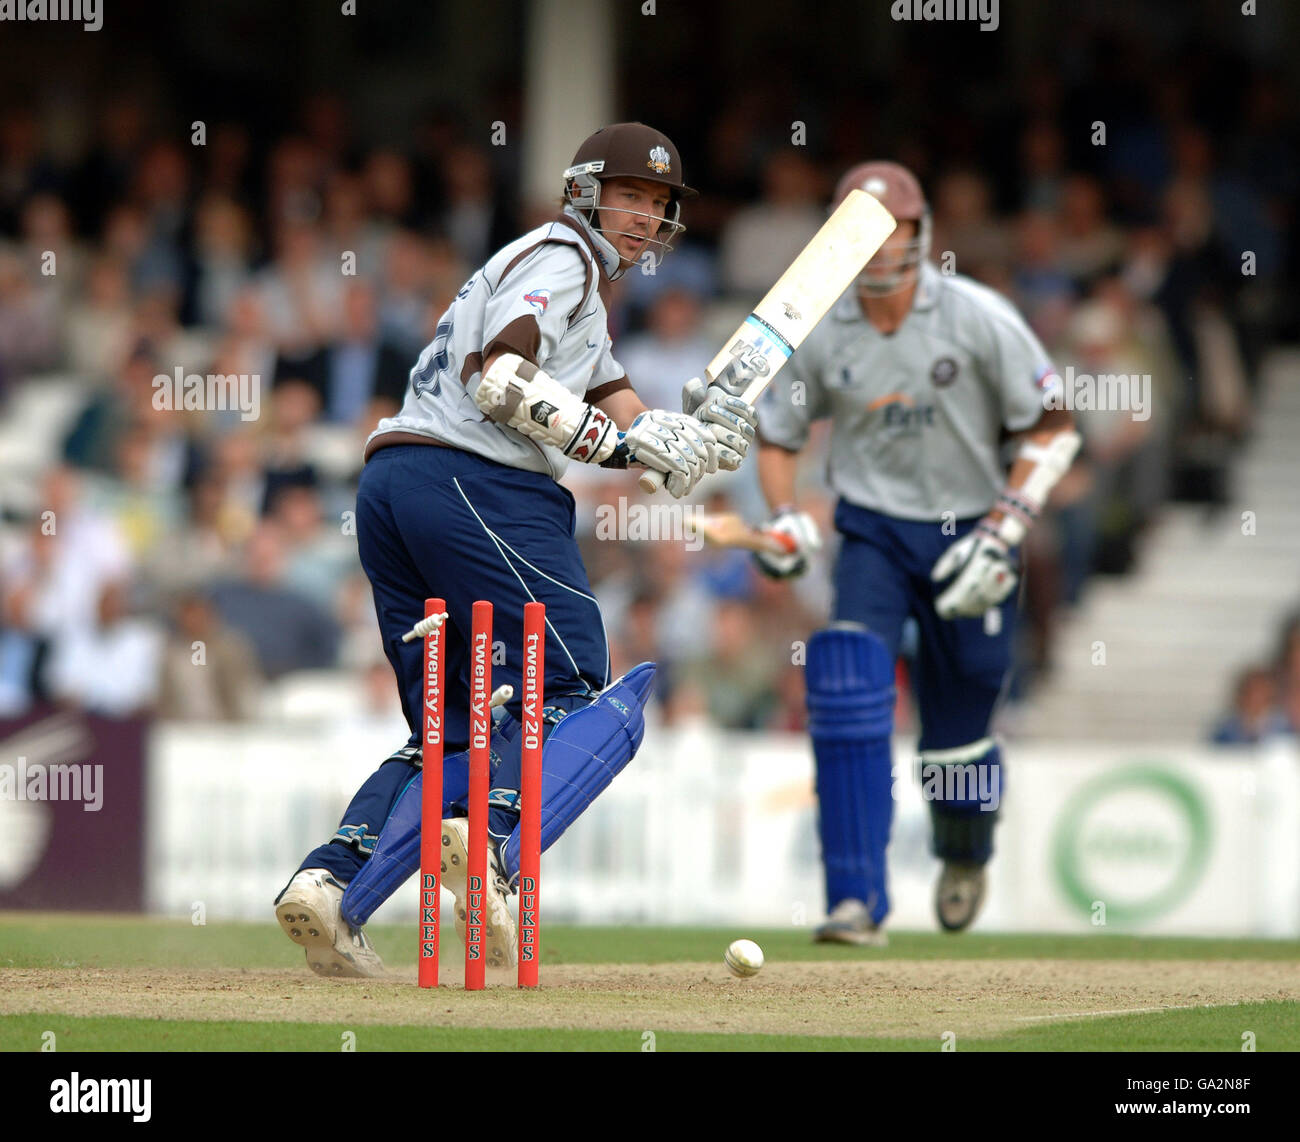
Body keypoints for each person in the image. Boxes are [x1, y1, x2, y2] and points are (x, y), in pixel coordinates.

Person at [274, 123, 757, 977]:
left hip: (395, 486)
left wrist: (688, 443)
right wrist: (622, 449)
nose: (644, 217)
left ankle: (330, 881)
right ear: (584, 191)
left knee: (451, 727)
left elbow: (617, 404)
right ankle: (491, 845)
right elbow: (502, 381)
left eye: (658, 204)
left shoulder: (580, 293)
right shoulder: (561, 256)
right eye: (631, 195)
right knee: (572, 684)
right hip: (474, 482)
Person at [753, 162, 1080, 943]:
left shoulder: (977, 316)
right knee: (845, 687)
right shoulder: (814, 326)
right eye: (855, 229)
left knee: (957, 733)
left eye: (888, 227)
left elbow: (1053, 424)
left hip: (972, 527)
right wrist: (787, 516)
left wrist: (1006, 525)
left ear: (920, 231)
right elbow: (777, 436)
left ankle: (964, 854)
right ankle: (855, 898)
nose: (874, 246)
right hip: (872, 530)